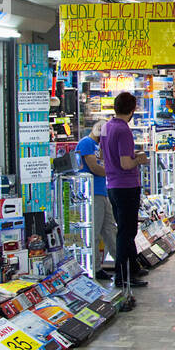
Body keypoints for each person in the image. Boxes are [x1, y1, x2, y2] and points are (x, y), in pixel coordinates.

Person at [102, 91, 150, 289]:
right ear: (132, 110)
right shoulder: (123, 130)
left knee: (124, 228)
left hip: (112, 185)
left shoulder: (106, 127)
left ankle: (133, 267)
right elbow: (125, 163)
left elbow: (105, 155)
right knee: (126, 231)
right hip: (126, 186)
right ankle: (124, 275)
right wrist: (139, 158)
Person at [75, 119, 116, 280]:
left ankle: (121, 263)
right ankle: (94, 267)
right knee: (96, 231)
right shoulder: (86, 143)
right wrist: (113, 171)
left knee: (110, 229)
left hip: (102, 192)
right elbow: (94, 167)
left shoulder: (98, 146)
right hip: (92, 194)